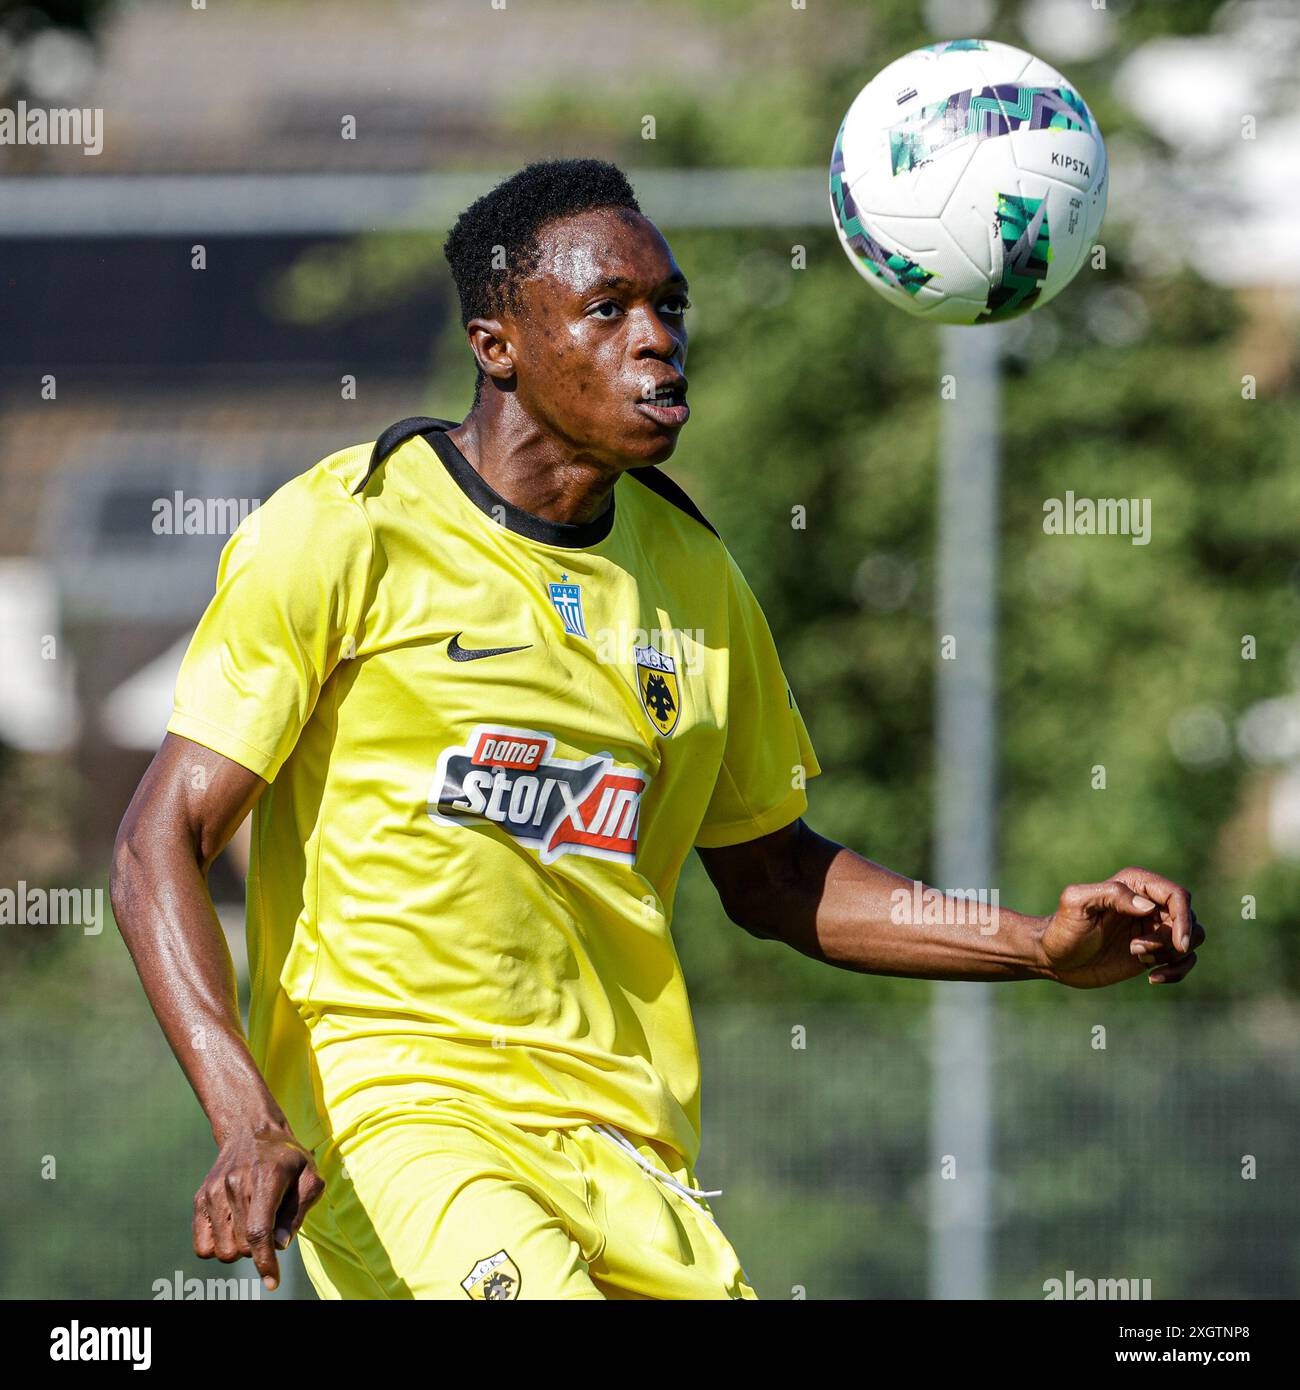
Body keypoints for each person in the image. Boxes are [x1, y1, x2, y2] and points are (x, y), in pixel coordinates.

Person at [111, 158, 1204, 1301]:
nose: (657, 338)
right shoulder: (350, 528)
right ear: (499, 347)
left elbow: (775, 875)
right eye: (608, 309)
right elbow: (157, 841)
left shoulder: (695, 574)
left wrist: (1034, 941)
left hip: (630, 1151)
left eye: (669, 306)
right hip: (402, 1121)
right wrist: (245, 1118)